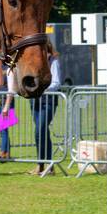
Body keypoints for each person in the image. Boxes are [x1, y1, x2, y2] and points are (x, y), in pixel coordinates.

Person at [30, 41, 63, 176]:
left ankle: (45, 164)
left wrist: (41, 88)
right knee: (41, 132)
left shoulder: (53, 61)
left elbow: (56, 82)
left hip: (48, 100)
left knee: (40, 130)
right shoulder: (32, 61)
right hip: (35, 101)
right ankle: (44, 165)